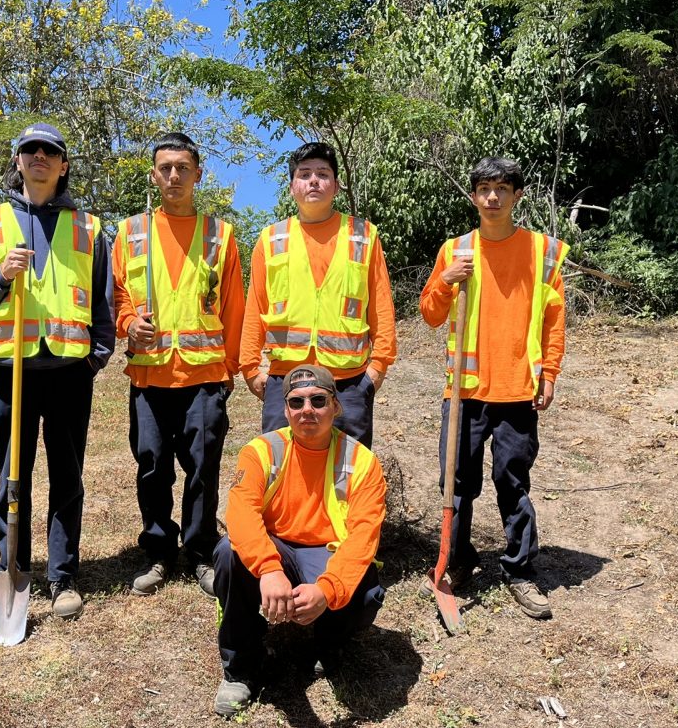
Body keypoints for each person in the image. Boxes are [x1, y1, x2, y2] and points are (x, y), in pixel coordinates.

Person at [0, 123, 114, 620]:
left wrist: (96, 358)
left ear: (63, 165)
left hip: (69, 371)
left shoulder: (89, 228)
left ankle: (63, 576)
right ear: (18, 160)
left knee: (67, 476)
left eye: (50, 151)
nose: (40, 156)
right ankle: (14, 567)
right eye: (30, 150)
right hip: (10, 371)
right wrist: (1, 275)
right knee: (13, 477)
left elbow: (104, 305)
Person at [419, 156, 567, 620]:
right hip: (464, 393)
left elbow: (554, 320)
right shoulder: (456, 250)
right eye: (484, 188)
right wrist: (445, 281)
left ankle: (520, 570)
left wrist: (549, 374)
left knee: (512, 482)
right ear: (473, 196)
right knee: (457, 484)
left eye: (503, 189)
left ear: (517, 195)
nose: (493, 197)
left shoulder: (541, 251)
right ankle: (458, 562)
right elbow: (429, 313)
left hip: (518, 389)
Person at [212, 364, 387, 718]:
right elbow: (241, 514)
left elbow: (363, 537)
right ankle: (241, 666)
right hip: (277, 549)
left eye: (318, 400)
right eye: (296, 402)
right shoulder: (260, 451)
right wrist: (268, 569)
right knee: (230, 552)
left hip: (326, 554)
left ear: (336, 406)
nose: (307, 409)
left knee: (364, 588)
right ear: (286, 408)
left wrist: (327, 589)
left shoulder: (362, 462)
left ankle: (329, 639)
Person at [112, 132, 244, 598]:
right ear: (154, 174)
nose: (173, 175)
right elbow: (120, 297)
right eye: (165, 167)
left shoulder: (219, 234)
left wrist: (228, 370)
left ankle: (202, 550)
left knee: (203, 466)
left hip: (205, 376)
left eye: (182, 167)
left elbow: (234, 306)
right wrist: (128, 323)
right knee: (151, 464)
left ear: (198, 174)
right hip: (150, 375)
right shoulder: (130, 233)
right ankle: (158, 550)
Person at [239, 142, 397, 447]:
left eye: (323, 174)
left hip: (348, 383)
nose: (314, 180)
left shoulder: (363, 236)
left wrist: (377, 369)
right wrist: (249, 370)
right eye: (305, 173)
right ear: (291, 186)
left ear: (336, 185)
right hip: (285, 380)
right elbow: (255, 307)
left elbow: (381, 307)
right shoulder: (271, 239)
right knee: (282, 469)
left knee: (348, 473)